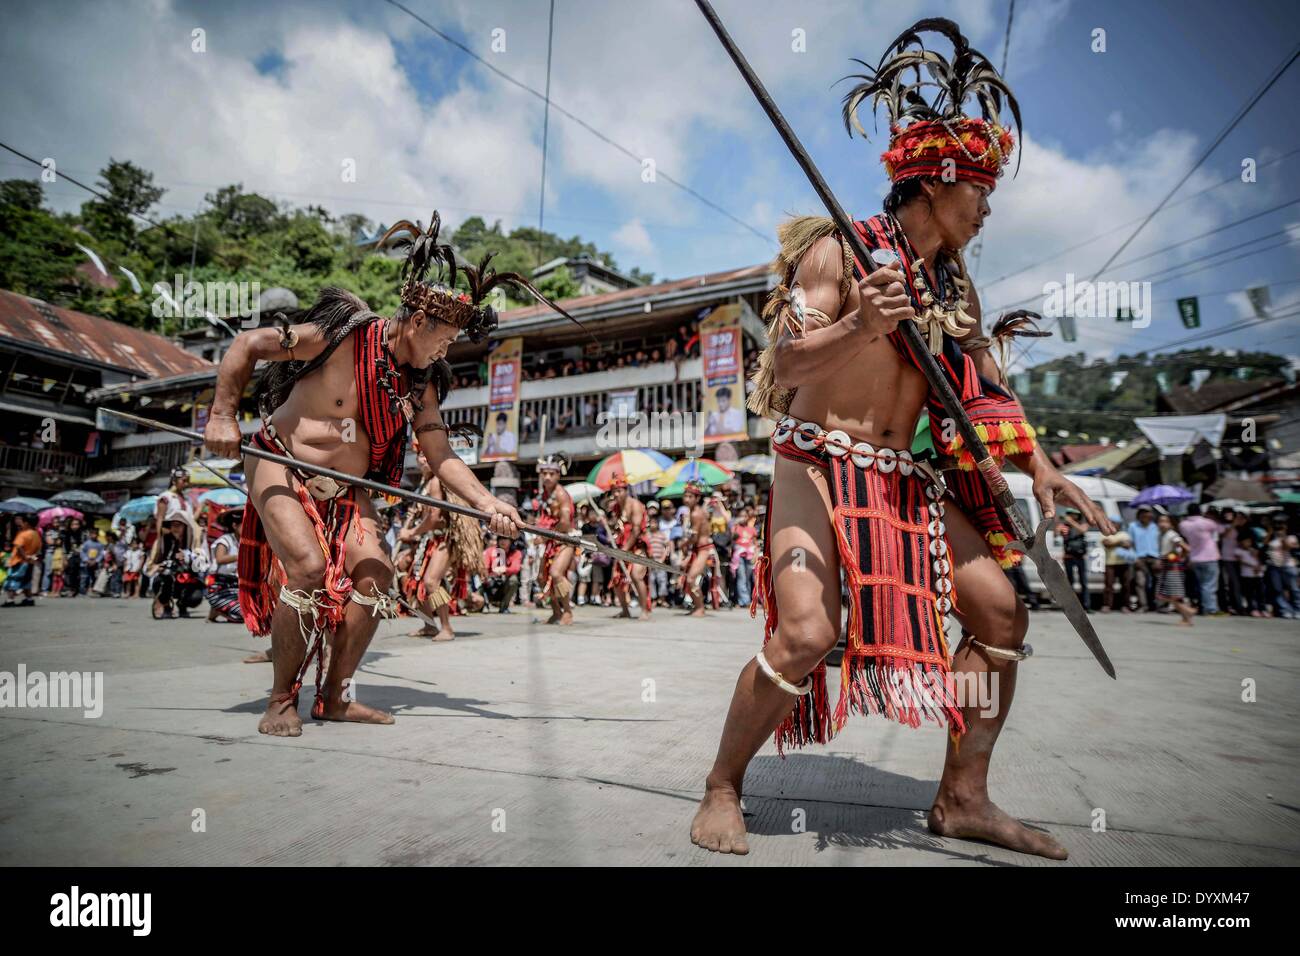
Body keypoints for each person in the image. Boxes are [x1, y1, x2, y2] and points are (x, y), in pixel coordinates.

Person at [691, 19, 1115, 860]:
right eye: (980, 191)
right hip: (813, 461)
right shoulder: (834, 253)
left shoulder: (958, 293)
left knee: (999, 609)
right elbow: (784, 359)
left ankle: (962, 797)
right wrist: (861, 325)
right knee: (809, 634)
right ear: (939, 181)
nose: (989, 208)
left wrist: (1038, 464)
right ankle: (722, 785)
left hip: (899, 478)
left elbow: (989, 392)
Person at [203, 211, 578, 737]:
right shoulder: (339, 336)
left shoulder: (419, 383)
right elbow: (249, 346)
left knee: (378, 579)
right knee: (308, 570)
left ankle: (334, 697)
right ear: (419, 323)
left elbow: (442, 455)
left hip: (350, 487)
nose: (447, 352)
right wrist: (221, 414)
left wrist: (488, 504)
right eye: (445, 340)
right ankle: (281, 699)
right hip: (281, 462)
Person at [400, 452, 485, 641]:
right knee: (417, 582)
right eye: (420, 456)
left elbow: (435, 517)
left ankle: (446, 628)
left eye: (426, 454)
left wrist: (412, 532)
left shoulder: (437, 482)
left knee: (431, 582)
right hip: (429, 540)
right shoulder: (426, 483)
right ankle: (430, 626)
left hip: (444, 540)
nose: (423, 459)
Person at [535, 454, 577, 625]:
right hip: (551, 540)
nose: (547, 477)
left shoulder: (561, 494)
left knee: (556, 573)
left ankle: (568, 611)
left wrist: (545, 537)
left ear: (558, 475)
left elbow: (565, 522)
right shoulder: (545, 494)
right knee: (541, 577)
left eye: (551, 474)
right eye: (544, 473)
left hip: (566, 541)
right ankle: (556, 612)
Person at [607, 475, 652, 620]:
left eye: (619, 491)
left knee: (636, 575)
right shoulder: (616, 507)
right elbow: (616, 526)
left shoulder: (635, 505)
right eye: (614, 491)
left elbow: (636, 530)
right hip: (622, 546)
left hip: (637, 546)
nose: (616, 494)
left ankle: (645, 610)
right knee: (616, 579)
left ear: (626, 490)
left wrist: (625, 549)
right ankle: (625, 610)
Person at [148, 512, 203, 619]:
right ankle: (166, 606)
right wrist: (158, 566)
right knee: (158, 582)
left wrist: (187, 556)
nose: (175, 528)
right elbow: (152, 563)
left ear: (185, 526)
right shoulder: (164, 541)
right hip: (169, 576)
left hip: (188, 578)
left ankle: (182, 606)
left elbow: (202, 563)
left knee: (195, 596)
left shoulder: (194, 539)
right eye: (173, 525)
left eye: (179, 525)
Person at [1179, 504, 1222, 615]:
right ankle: (1211, 609)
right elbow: (1218, 529)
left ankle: (1203, 606)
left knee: (1201, 584)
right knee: (1209, 585)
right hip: (1210, 556)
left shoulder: (1183, 525)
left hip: (1195, 557)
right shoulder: (1207, 523)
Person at [1156, 513, 1196, 626]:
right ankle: (1186, 619)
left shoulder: (1172, 535)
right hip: (1167, 567)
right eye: (1160, 521)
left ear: (1171, 524)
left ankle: (1188, 611)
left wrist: (1176, 557)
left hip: (1172, 568)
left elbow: (1186, 548)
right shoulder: (1162, 535)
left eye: (1166, 521)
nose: (1162, 524)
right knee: (1174, 595)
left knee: (1172, 595)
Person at [206, 508, 244, 625]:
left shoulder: (243, 542)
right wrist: (241, 556)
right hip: (219, 585)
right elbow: (220, 559)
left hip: (235, 586)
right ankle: (218, 607)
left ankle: (218, 609)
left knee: (255, 612)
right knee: (245, 615)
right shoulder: (225, 540)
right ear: (234, 525)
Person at [1, 513, 41, 607]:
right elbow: (38, 548)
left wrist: (24, 556)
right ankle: (29, 598)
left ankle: (10, 600)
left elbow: (19, 546)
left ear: (26, 523)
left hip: (19, 561)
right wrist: (31, 557)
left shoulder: (23, 534)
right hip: (29, 561)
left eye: (21, 520)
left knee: (13, 579)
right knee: (26, 581)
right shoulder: (35, 533)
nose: (18, 521)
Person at [1127, 506, 1161, 612]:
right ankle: (1143, 605)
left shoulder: (1155, 527)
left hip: (1155, 557)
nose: (1146, 516)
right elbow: (1130, 544)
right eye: (1144, 514)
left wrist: (1160, 558)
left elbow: (1160, 543)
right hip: (1140, 558)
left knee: (1158, 582)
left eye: (1148, 514)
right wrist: (1134, 558)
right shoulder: (1132, 526)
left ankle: (1157, 605)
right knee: (1140, 582)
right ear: (1139, 515)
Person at [1263, 519, 1298, 619]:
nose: (1279, 528)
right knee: (1277, 590)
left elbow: (1287, 548)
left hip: (1288, 566)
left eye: (1281, 526)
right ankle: (1285, 610)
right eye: (1277, 526)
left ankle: (1297, 610)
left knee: (1294, 589)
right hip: (1274, 566)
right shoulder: (1272, 538)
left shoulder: (1291, 537)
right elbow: (1264, 544)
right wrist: (1270, 532)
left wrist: (1283, 537)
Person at [1059, 510, 1091, 611]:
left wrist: (1071, 522)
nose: (1070, 516)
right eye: (1068, 514)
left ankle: (1086, 605)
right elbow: (1057, 534)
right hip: (1069, 556)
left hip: (1080, 557)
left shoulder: (1082, 524)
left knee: (1083, 582)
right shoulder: (1065, 526)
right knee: (1070, 582)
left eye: (1072, 514)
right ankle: (1071, 606)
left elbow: (1082, 530)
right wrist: (1059, 526)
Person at [483, 535, 523, 612]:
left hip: (504, 584)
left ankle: (504, 606)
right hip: (489, 584)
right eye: (500, 538)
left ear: (511, 541)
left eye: (505, 538)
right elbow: (485, 566)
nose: (502, 541)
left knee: (513, 580)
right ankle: (483, 604)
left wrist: (504, 570)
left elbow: (516, 568)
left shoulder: (516, 553)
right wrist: (489, 574)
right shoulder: (490, 551)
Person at [1100, 524, 1134, 612]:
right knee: (1109, 585)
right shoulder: (1105, 533)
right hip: (1109, 563)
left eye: (1116, 523)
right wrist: (1120, 542)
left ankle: (1125, 606)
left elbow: (1128, 545)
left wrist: (1113, 543)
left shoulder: (1124, 534)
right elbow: (1106, 543)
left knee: (1126, 585)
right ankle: (1107, 605)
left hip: (1124, 563)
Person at [731, 505, 759, 608]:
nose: (743, 518)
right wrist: (735, 525)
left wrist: (755, 555)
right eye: (741, 516)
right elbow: (732, 539)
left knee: (748, 578)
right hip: (739, 556)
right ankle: (744, 601)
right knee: (741, 577)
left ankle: (747, 599)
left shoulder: (751, 529)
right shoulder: (736, 527)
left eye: (745, 516)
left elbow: (755, 544)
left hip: (750, 555)